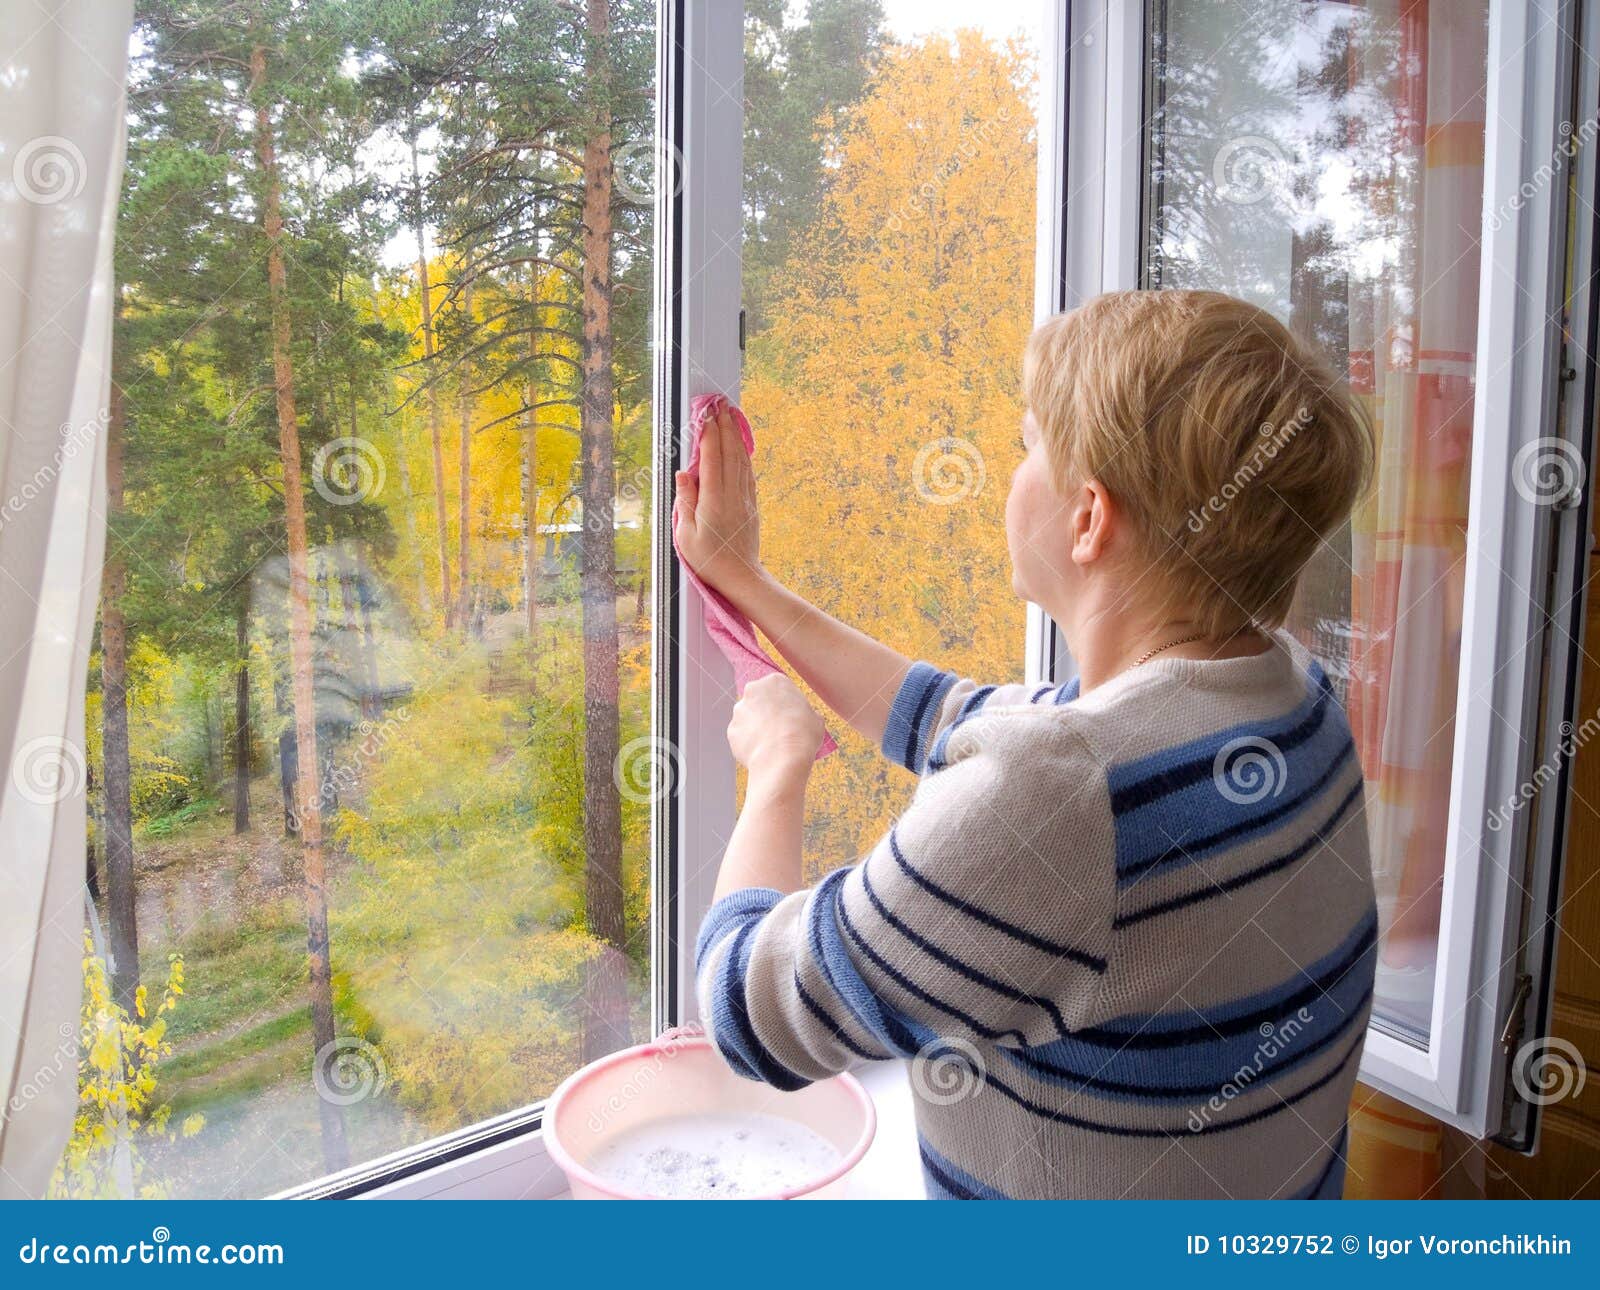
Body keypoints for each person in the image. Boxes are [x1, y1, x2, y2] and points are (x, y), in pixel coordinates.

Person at [673, 289, 1378, 1199]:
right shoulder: (1291, 698)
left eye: (1027, 446)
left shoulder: (1064, 795)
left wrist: (776, 769)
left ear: (1088, 518)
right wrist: (748, 584)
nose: (1012, 474)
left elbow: (746, 1013)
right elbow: (952, 717)